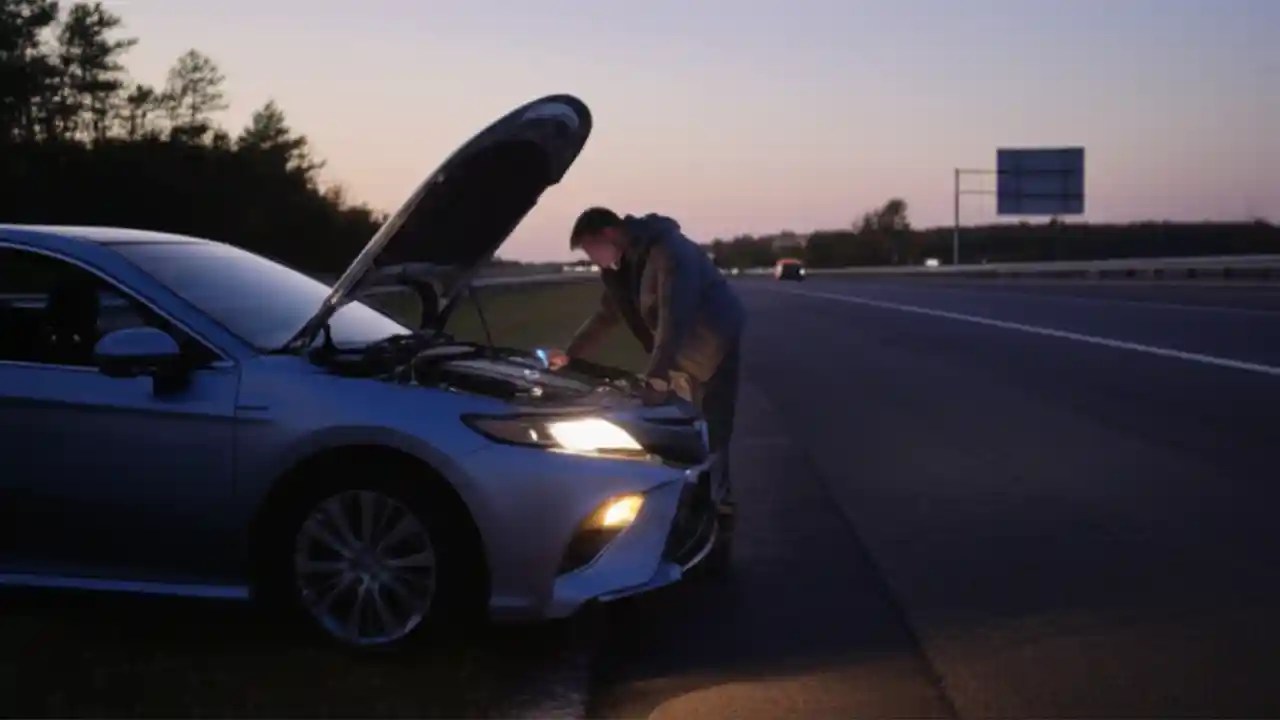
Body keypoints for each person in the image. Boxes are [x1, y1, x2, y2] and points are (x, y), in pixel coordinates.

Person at [546, 207, 746, 565]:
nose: (594, 260)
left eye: (592, 249)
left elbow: (675, 317)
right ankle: (684, 506)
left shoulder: (671, 252)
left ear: (609, 233)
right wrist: (571, 356)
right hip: (679, 350)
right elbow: (607, 317)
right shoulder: (619, 268)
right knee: (680, 427)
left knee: (712, 432)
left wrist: (657, 375)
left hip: (713, 344)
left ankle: (721, 522)